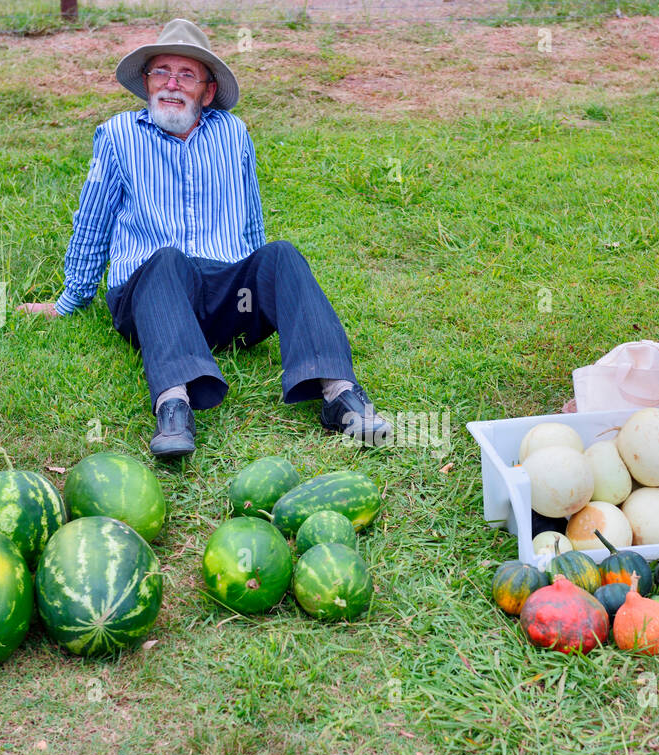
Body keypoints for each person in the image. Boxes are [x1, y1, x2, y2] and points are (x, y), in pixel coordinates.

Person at [21, 19, 391, 459]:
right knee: (167, 258)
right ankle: (173, 404)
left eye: (186, 74)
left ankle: (340, 395)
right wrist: (70, 300)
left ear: (208, 92)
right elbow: (93, 219)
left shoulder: (233, 134)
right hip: (151, 295)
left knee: (281, 255)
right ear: (146, 81)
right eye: (160, 71)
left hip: (225, 302)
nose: (171, 84)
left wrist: (262, 280)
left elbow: (250, 216)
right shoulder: (119, 135)